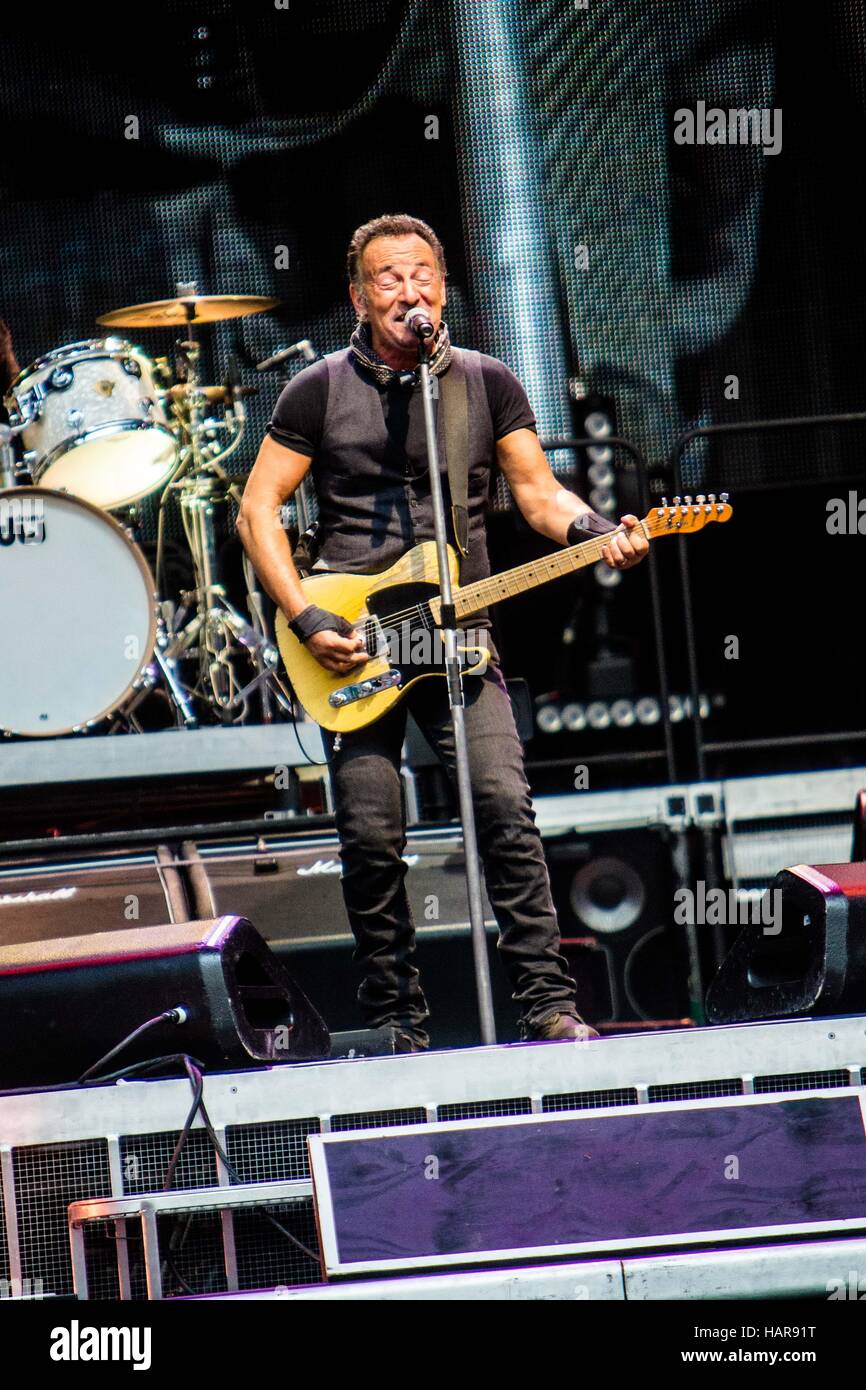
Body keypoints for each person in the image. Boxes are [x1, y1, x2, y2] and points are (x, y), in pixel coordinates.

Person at [238, 214, 649, 1050]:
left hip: (458, 632)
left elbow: (538, 495)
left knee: (503, 805)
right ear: (358, 295)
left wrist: (599, 531)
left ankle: (548, 1007)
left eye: (422, 274)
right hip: (353, 638)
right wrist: (309, 617)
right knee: (371, 834)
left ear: (444, 285)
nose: (408, 291)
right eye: (388, 278)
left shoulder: (485, 382)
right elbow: (256, 512)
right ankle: (396, 1023)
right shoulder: (316, 390)